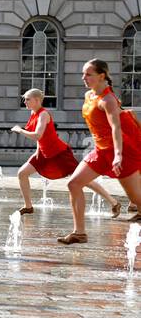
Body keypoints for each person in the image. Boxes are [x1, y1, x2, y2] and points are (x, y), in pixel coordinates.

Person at [56, 58, 141, 245]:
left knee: (137, 199)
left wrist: (118, 155)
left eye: (88, 74)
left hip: (120, 152)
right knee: (74, 184)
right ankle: (79, 233)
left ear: (102, 76)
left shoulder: (108, 100)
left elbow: (116, 128)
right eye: (83, 74)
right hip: (101, 151)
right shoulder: (89, 95)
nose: (83, 78)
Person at [11, 88, 120, 217]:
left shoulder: (43, 114)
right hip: (43, 153)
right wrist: (37, 153)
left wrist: (20, 130)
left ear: (37, 100)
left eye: (27, 99)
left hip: (60, 154)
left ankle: (114, 202)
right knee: (22, 173)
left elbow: (37, 135)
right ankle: (28, 206)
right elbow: (41, 139)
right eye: (24, 99)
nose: (25, 102)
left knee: (82, 180)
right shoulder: (33, 113)